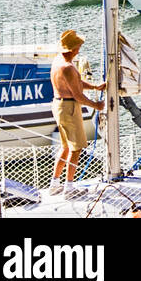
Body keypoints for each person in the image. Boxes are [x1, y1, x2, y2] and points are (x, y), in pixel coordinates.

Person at [48, 29, 105, 194]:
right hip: (69, 108)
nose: (80, 49)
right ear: (72, 49)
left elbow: (76, 82)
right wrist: (96, 105)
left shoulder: (58, 61)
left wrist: (94, 86)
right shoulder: (68, 67)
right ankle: (69, 187)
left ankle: (55, 183)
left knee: (65, 146)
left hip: (58, 105)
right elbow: (78, 95)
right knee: (76, 148)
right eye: (78, 46)